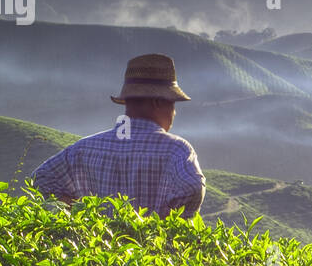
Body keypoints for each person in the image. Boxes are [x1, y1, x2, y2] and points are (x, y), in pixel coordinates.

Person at [31, 53, 206, 219]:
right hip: (153, 249)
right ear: (158, 102)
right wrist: (167, 223)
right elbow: (192, 187)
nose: (174, 113)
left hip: (95, 249)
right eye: (172, 105)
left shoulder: (84, 149)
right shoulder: (176, 150)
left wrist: (82, 215)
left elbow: (41, 179)